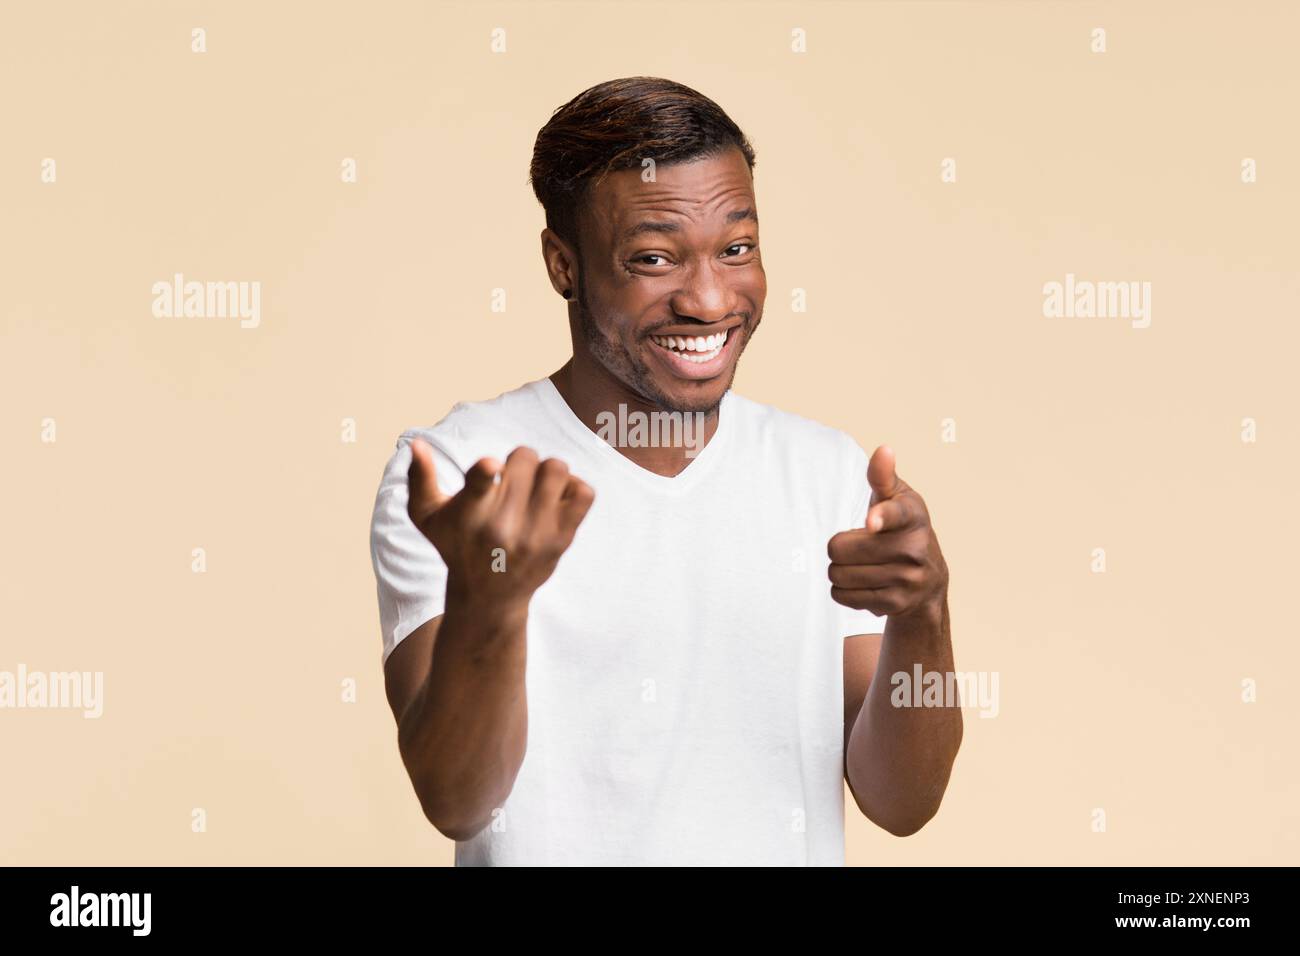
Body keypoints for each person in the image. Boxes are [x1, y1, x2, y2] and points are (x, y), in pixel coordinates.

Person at [369, 77, 960, 865]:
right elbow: (457, 799)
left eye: (737, 248)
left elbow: (902, 803)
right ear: (562, 265)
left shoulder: (828, 473)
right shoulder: (457, 473)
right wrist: (493, 604)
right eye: (654, 258)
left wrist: (925, 612)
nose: (710, 298)